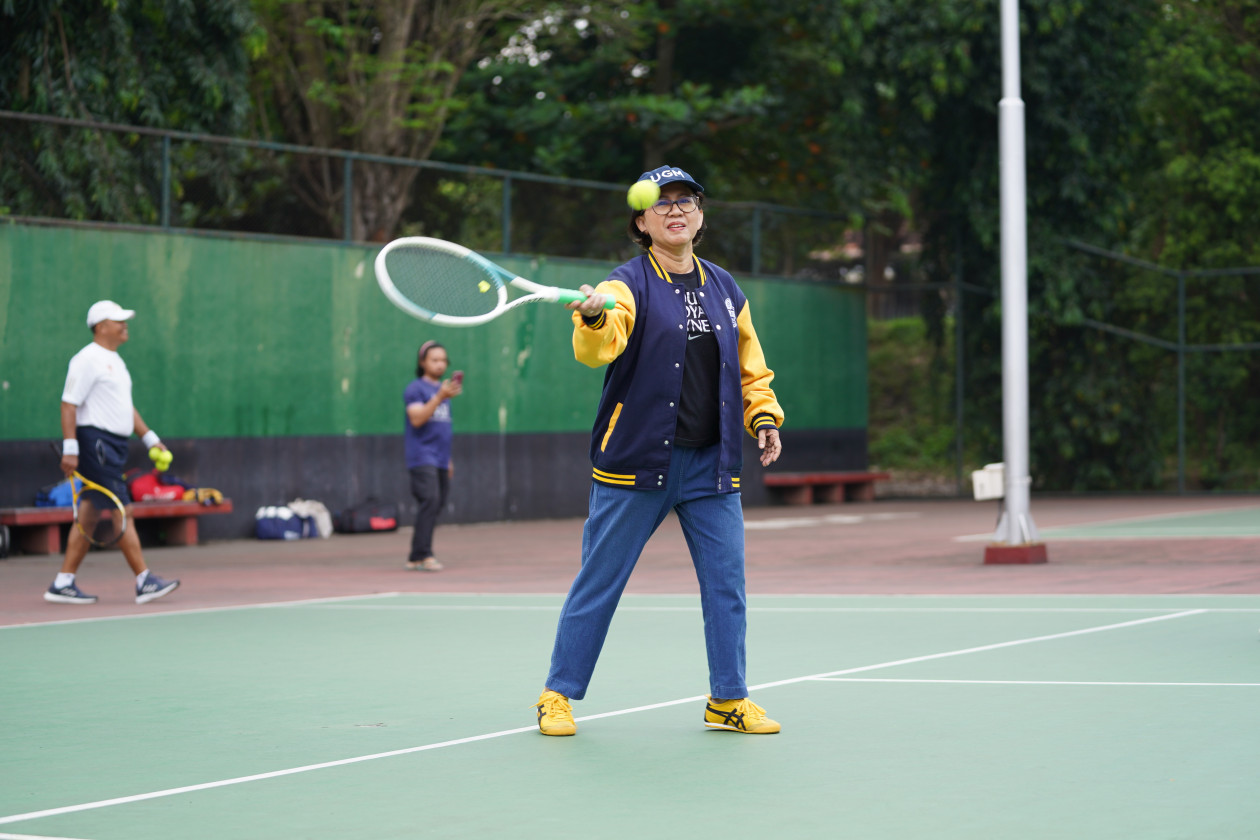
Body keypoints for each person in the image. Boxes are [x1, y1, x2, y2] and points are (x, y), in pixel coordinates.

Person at [534, 165, 785, 736]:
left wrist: (763, 415)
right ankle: (557, 695)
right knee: (600, 580)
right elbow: (601, 345)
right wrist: (595, 317)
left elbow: (751, 369)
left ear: (701, 216)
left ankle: (728, 700)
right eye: (662, 202)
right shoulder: (625, 284)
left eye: (687, 200)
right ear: (642, 222)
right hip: (636, 463)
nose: (676, 209)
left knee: (727, 586)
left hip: (711, 467)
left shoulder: (726, 289)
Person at [46, 300, 181, 605]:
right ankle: (144, 580)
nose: (124, 325)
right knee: (123, 509)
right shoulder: (87, 360)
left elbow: (124, 407)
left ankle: (62, 582)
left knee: (90, 513)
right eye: (118, 320)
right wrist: (71, 449)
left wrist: (150, 439)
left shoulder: (115, 361)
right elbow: (69, 404)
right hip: (96, 444)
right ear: (100, 326)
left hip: (114, 445)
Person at [403, 340, 462, 571]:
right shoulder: (415, 389)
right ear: (422, 362)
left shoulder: (443, 392)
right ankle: (422, 555)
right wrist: (439, 396)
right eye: (434, 360)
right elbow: (417, 419)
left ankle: (418, 554)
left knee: (436, 504)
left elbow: (442, 430)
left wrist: (447, 459)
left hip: (440, 459)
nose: (440, 364)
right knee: (429, 500)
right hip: (421, 457)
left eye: (443, 360)